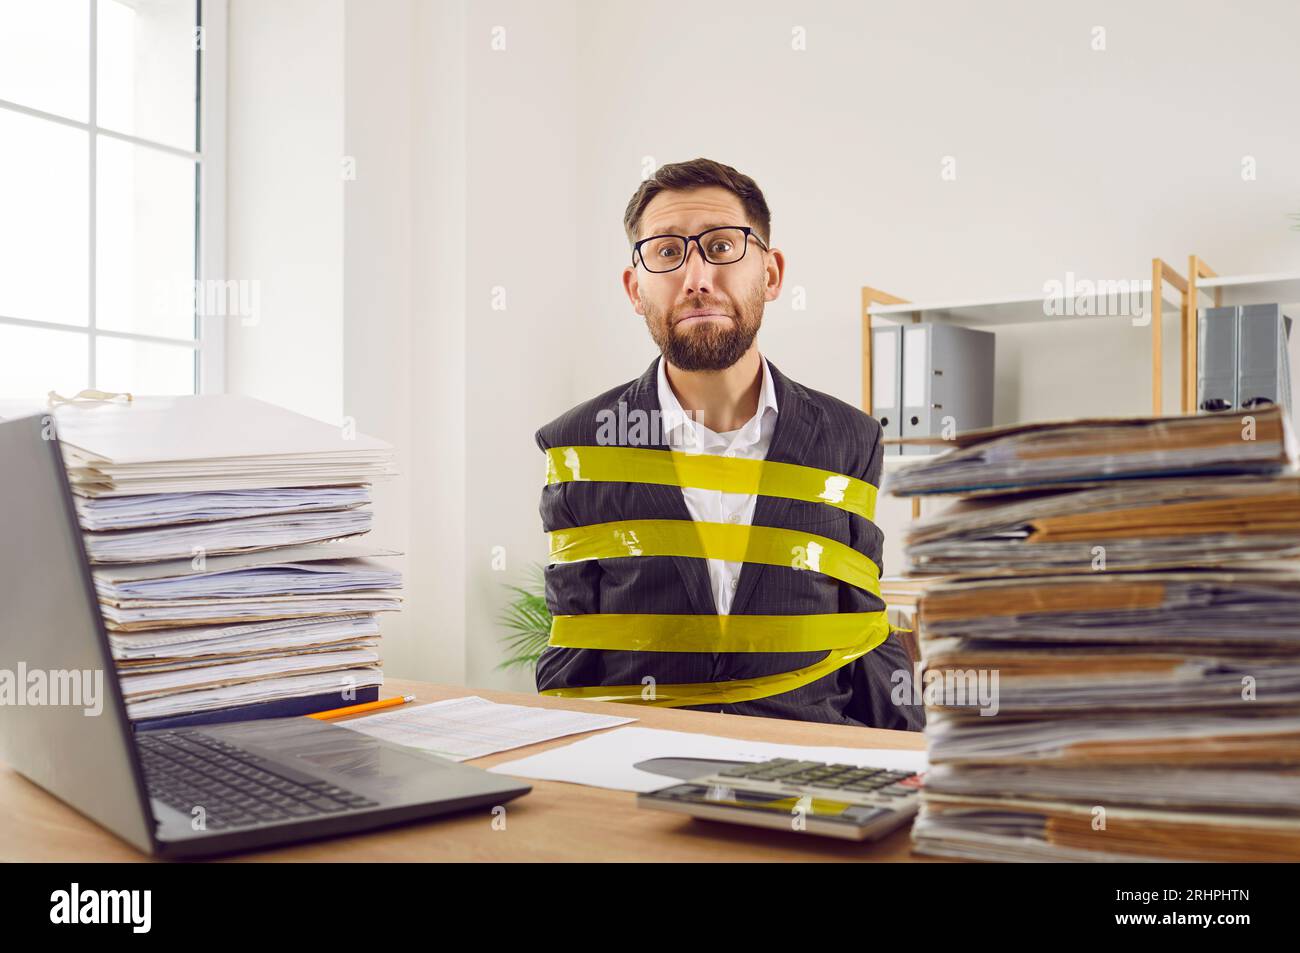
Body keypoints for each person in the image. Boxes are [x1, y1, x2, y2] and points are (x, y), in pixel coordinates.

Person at [533, 157, 922, 730]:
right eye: (667, 252)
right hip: (639, 764)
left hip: (807, 763)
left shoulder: (850, 438)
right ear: (634, 288)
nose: (695, 279)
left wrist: (909, 763)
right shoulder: (579, 443)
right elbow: (575, 643)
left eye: (721, 247)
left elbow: (862, 630)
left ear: (770, 274)